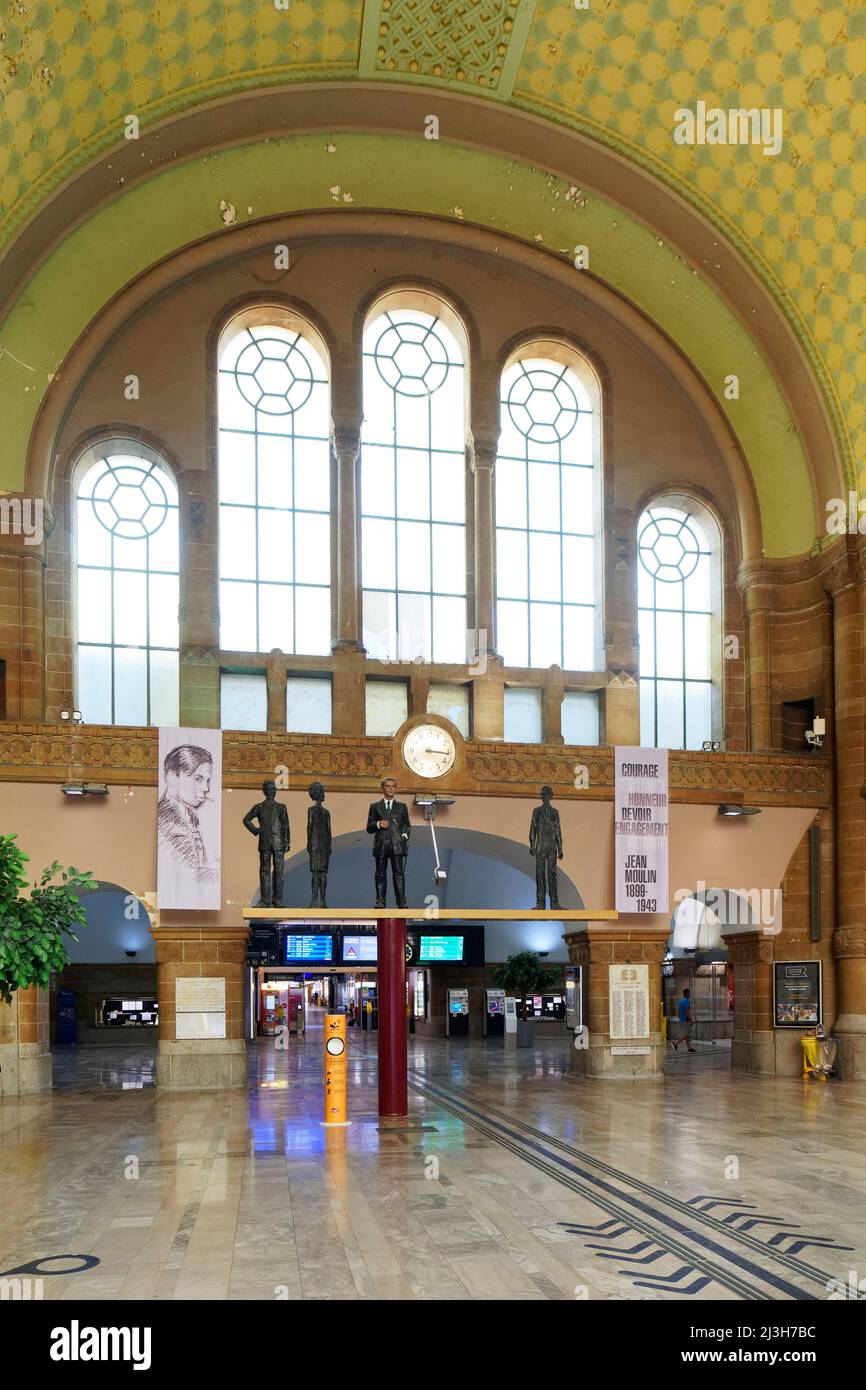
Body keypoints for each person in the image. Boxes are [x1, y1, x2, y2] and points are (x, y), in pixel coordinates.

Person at [243, 779, 290, 908]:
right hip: (264, 842)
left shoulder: (281, 807)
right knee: (264, 870)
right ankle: (265, 900)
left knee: (279, 871)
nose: (271, 791)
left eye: (273, 789)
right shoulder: (259, 807)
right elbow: (246, 819)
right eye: (269, 789)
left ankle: (277, 900)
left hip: (279, 843)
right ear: (264, 791)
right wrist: (256, 830)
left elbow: (286, 825)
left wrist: (287, 841)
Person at [366, 776, 411, 908]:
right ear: (382, 788)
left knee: (399, 873)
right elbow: (369, 827)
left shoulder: (402, 807)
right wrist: (379, 823)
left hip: (397, 845)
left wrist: (404, 836)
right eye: (388, 786)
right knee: (380, 873)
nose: (390, 788)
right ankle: (380, 900)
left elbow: (407, 825)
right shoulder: (375, 807)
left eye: (393, 786)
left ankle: (401, 901)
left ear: (395, 788)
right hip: (381, 845)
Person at [529, 784, 563, 909]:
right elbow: (533, 828)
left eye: (547, 795)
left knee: (552, 873)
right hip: (540, 845)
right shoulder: (536, 811)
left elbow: (558, 830)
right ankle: (540, 902)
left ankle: (554, 903)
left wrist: (560, 848)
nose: (544, 797)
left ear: (551, 796)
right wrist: (532, 844)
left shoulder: (555, 813)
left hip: (551, 846)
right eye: (543, 795)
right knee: (539, 874)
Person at [672, 987, 695, 1053]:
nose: (689, 995)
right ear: (687, 994)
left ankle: (689, 1048)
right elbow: (687, 1012)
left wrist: (680, 1018)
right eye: (689, 993)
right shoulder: (686, 1001)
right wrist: (691, 1020)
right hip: (685, 1021)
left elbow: (678, 1011)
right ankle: (675, 1044)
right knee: (686, 1035)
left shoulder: (680, 1001)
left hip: (681, 1020)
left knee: (686, 1034)